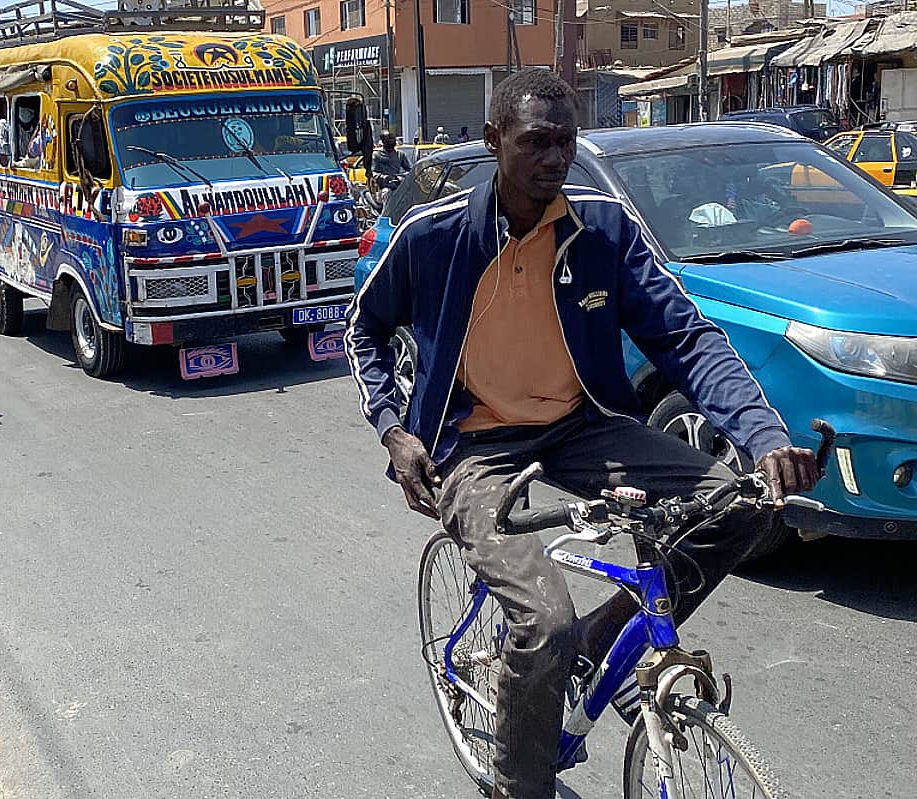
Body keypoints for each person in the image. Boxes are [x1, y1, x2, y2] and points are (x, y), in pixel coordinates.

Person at [345, 69, 818, 799]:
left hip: (580, 425)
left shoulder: (602, 229)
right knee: (543, 619)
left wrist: (763, 437)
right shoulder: (432, 236)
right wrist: (392, 429)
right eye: (535, 141)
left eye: (565, 140)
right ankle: (517, 782)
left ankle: (599, 647)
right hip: (474, 447)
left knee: (741, 506)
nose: (553, 157)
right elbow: (364, 329)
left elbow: (686, 338)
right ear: (493, 141)